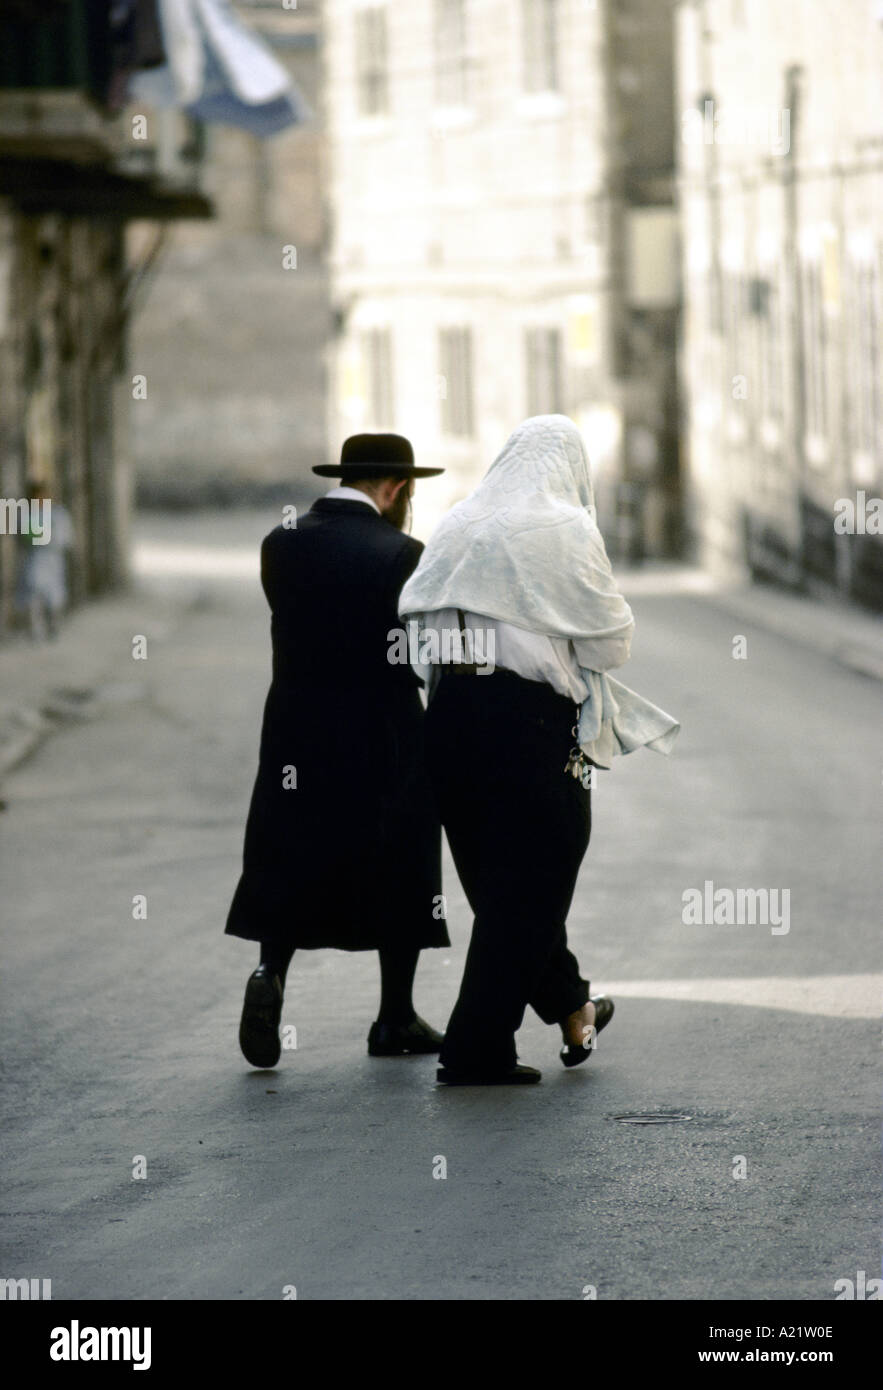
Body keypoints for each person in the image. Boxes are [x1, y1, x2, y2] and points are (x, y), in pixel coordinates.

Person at [399, 415, 679, 1086]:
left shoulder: (457, 522)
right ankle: (473, 1050)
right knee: (539, 879)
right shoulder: (562, 527)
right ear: (566, 468)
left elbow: (413, 631)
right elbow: (609, 643)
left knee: (503, 890)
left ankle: (570, 1004)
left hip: (447, 722)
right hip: (526, 723)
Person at [226, 433, 449, 1068]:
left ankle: (270, 971)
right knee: (399, 860)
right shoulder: (403, 553)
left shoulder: (281, 543)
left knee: (288, 852)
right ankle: (394, 1017)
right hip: (382, 733)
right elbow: (415, 653)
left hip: (295, 729)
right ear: (396, 488)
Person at [15, 479, 73, 640]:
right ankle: (35, 629)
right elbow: (24, 536)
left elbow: (63, 538)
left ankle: (54, 626)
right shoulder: (28, 514)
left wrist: (47, 537)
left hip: (53, 560)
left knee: (53, 595)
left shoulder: (58, 514)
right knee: (33, 592)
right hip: (35, 558)